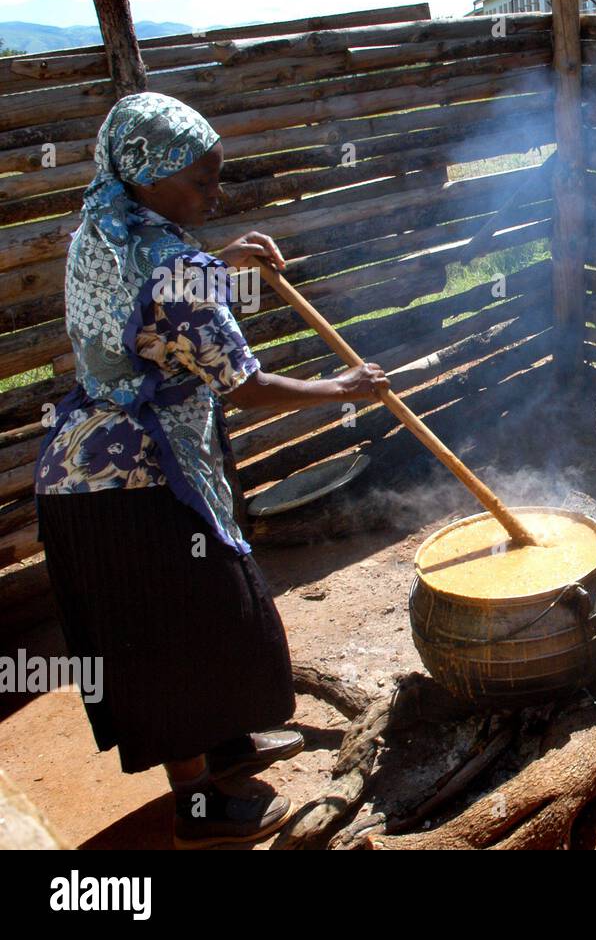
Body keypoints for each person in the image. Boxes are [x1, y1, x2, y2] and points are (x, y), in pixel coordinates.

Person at [33, 92, 390, 849]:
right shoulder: (175, 265)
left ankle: (228, 747)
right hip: (131, 488)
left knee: (223, 609)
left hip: (93, 465)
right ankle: (197, 809)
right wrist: (343, 388)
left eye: (216, 178)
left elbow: (151, 295)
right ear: (148, 172)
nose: (213, 195)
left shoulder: (104, 223)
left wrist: (218, 263)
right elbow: (247, 384)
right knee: (172, 641)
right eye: (200, 181)